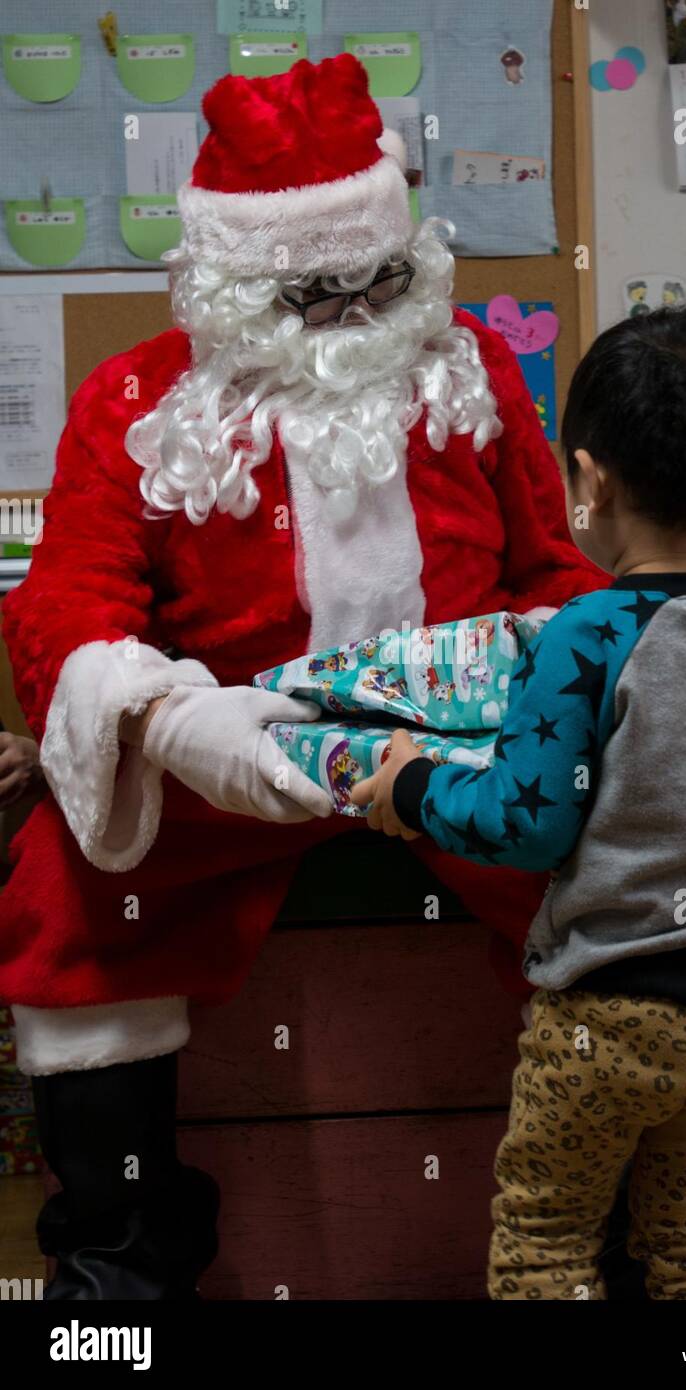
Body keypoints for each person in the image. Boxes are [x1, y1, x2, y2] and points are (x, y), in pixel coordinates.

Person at [0, 55, 605, 1300]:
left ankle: (619, 1215)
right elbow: (66, 603)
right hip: (234, 758)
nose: (358, 316)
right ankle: (123, 1259)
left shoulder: (474, 369)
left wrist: (642, 665)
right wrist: (171, 715)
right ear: (229, 283)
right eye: (312, 292)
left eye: (383, 280)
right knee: (67, 893)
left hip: (460, 754)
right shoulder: (136, 402)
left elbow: (549, 569)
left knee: (643, 852)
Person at [352, 307, 686, 1300]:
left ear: (590, 479)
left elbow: (528, 822)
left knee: (546, 1238)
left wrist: (411, 785)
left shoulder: (586, 633)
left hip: (613, 1019)